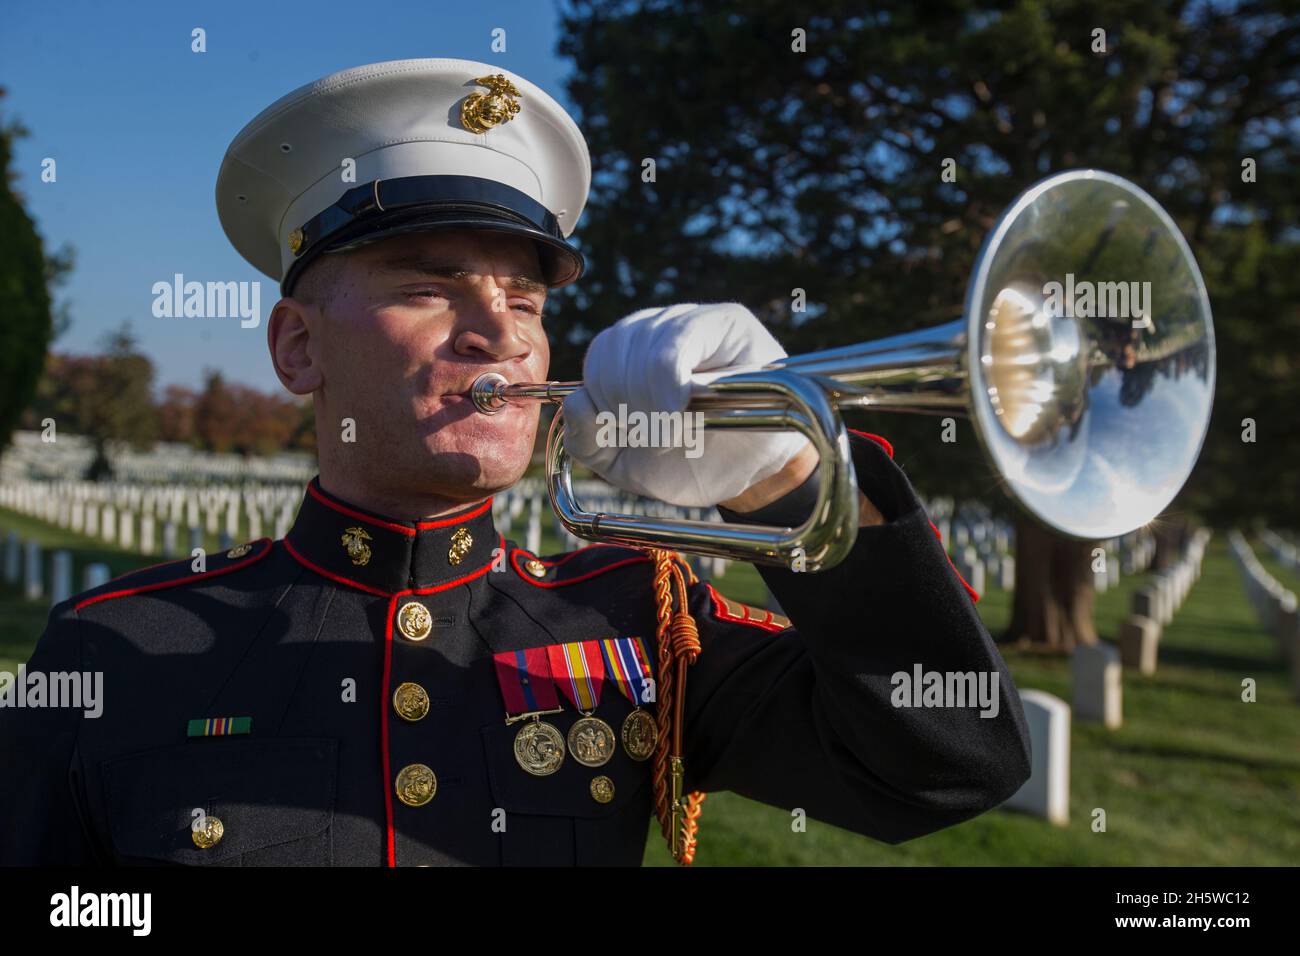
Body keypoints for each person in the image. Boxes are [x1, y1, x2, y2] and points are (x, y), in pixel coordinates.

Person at [0, 59, 1030, 866]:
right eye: (432, 282)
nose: (501, 331)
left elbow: (947, 766)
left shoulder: (635, 616)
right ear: (296, 347)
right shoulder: (108, 647)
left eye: (529, 300)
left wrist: (784, 477)